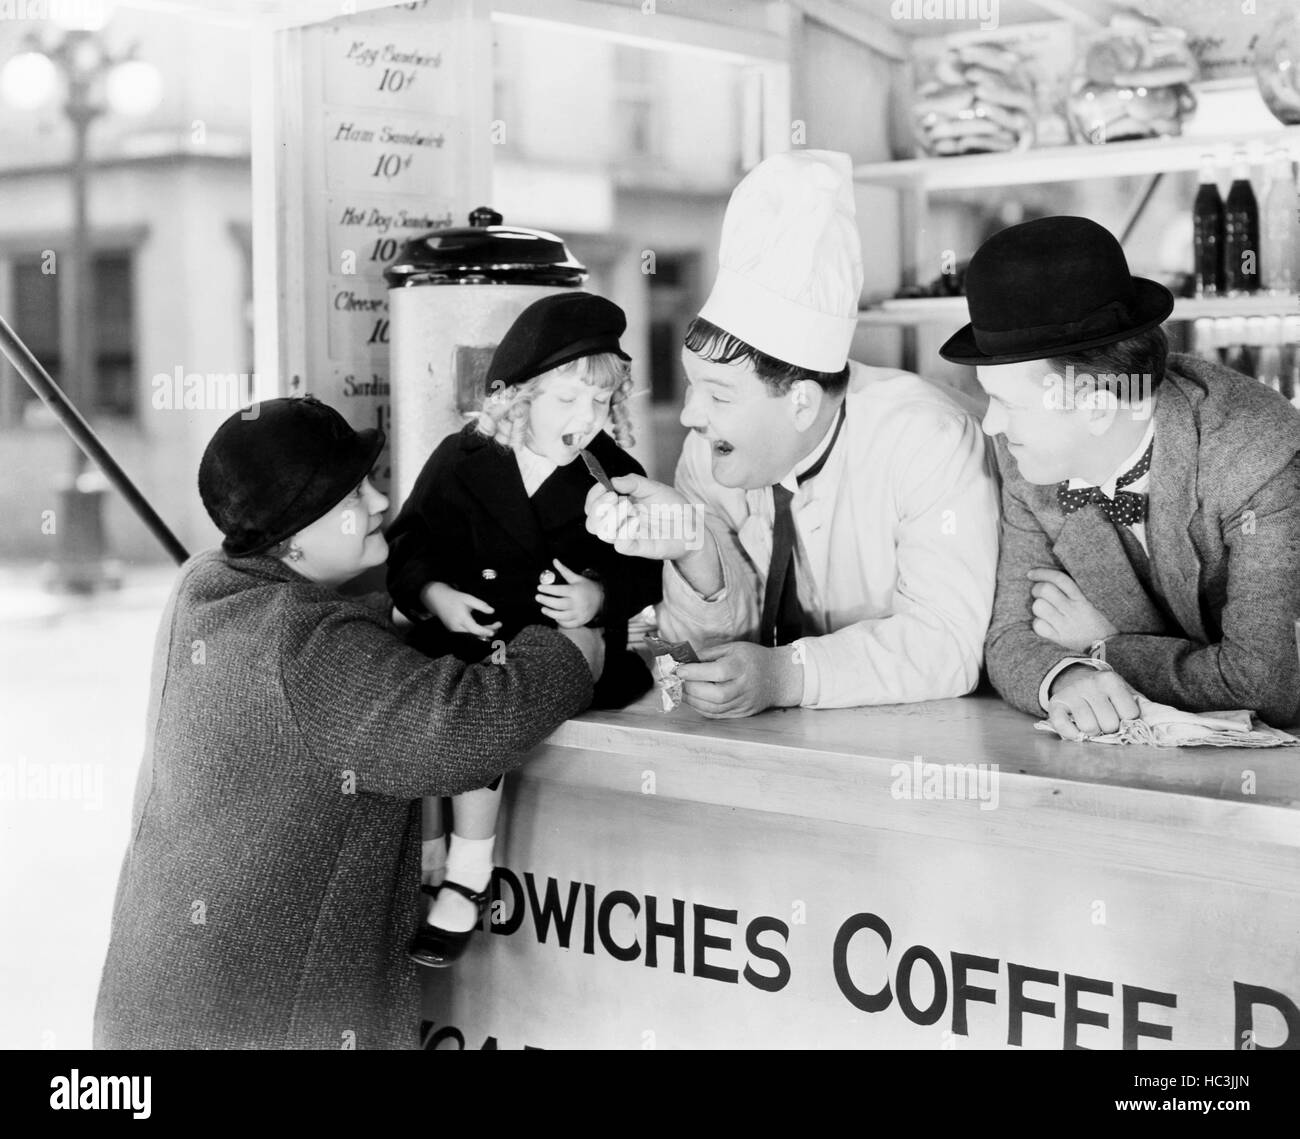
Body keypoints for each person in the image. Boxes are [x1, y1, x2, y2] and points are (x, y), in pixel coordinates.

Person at [93, 395, 602, 1049]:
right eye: (352, 495)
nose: (381, 501)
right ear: (295, 535)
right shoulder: (307, 647)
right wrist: (568, 656)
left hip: (155, 1006)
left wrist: (399, 611)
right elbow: (462, 732)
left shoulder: (205, 585)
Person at [584, 149, 999, 716]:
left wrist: (788, 677)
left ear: (800, 402)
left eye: (720, 394)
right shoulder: (708, 455)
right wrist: (692, 545)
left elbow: (946, 642)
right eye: (690, 386)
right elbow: (696, 656)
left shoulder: (929, 439)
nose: (689, 416)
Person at [940, 215, 1300, 739]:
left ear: (1095, 407)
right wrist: (1069, 676)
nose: (990, 424)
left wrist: (1106, 645)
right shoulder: (1021, 453)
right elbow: (1012, 638)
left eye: (1005, 402)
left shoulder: (1256, 455)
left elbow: (1265, 687)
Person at [385, 292, 661, 966]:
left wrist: (599, 595)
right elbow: (408, 544)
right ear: (518, 397)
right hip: (462, 638)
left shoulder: (616, 475)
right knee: (419, 703)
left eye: (600, 403)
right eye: (567, 399)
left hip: (557, 656)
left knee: (485, 712)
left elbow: (652, 572)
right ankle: (423, 856)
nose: (585, 419)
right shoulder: (463, 457)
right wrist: (436, 593)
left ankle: (469, 875)